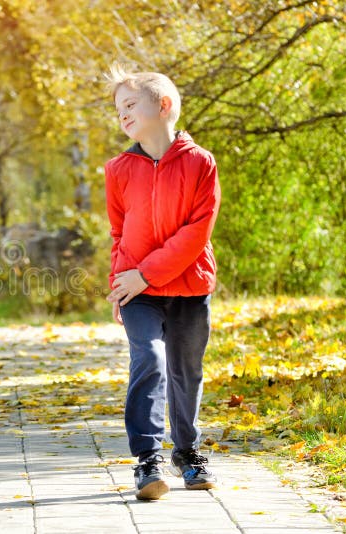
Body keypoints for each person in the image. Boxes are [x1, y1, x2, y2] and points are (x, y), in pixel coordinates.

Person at [103, 66, 221, 500]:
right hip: (138, 292)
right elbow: (118, 233)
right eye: (118, 110)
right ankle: (148, 460)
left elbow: (196, 232)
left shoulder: (200, 163)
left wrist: (146, 271)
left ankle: (188, 454)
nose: (123, 115)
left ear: (164, 105)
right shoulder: (118, 169)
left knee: (185, 371)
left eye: (130, 105)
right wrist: (121, 283)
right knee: (148, 360)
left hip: (189, 287)